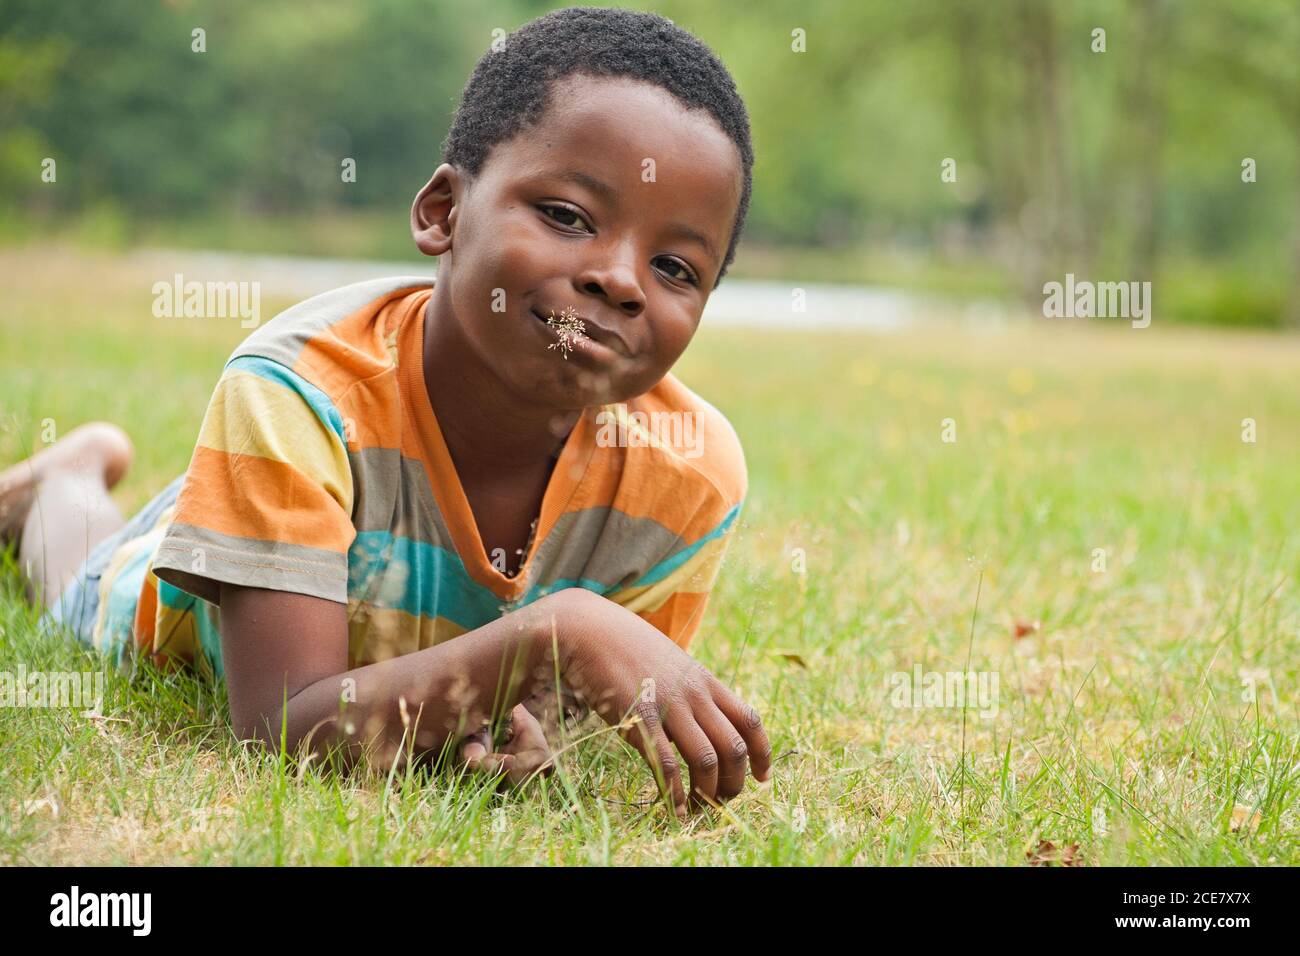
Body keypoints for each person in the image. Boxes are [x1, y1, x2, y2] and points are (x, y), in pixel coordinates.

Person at [0, 6, 770, 818]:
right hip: (204, 604)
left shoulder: (689, 477)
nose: (620, 280)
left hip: (373, 616)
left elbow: (562, 709)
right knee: (75, 586)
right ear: (443, 212)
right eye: (567, 216)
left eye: (675, 267)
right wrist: (562, 630)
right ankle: (64, 479)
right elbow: (278, 728)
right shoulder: (297, 393)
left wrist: (525, 730)